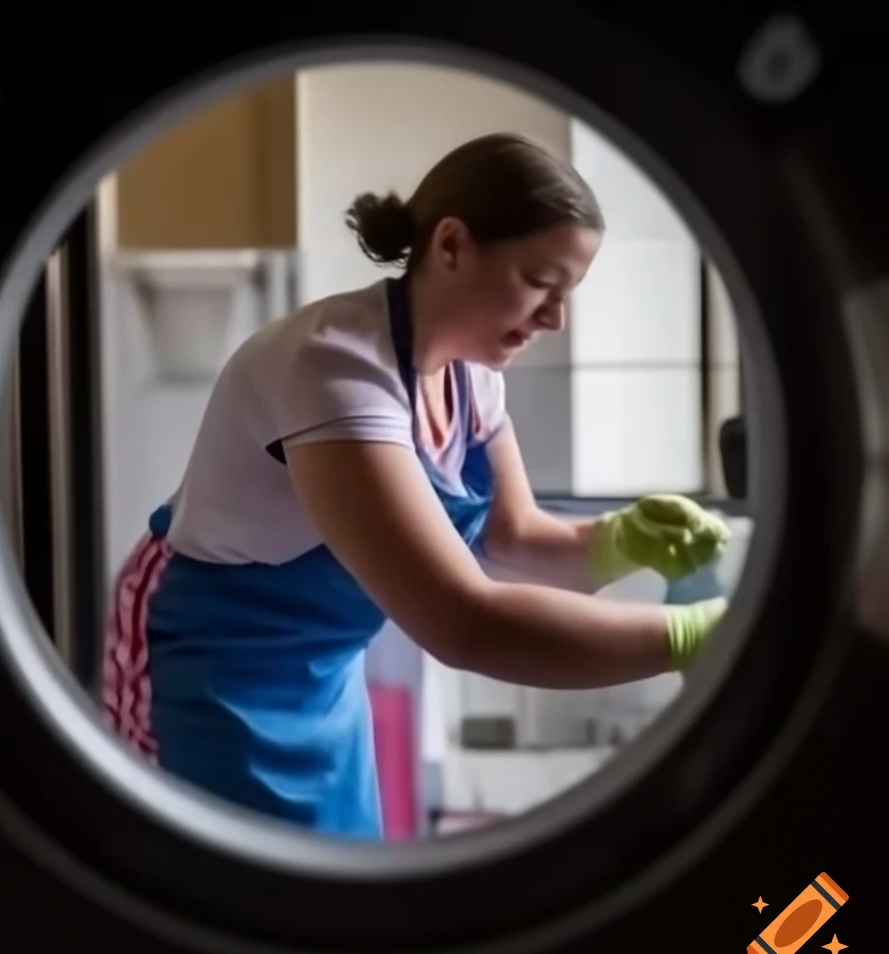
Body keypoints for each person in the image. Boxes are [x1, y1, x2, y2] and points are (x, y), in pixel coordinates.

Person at [101, 133, 729, 841]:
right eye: (540, 283)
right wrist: (692, 637)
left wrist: (621, 539)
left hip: (323, 676)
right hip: (210, 665)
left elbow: (512, 538)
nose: (556, 318)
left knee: (333, 894)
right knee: (227, 898)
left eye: (568, 294)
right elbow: (463, 623)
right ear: (453, 245)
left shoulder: (472, 377)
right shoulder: (335, 369)